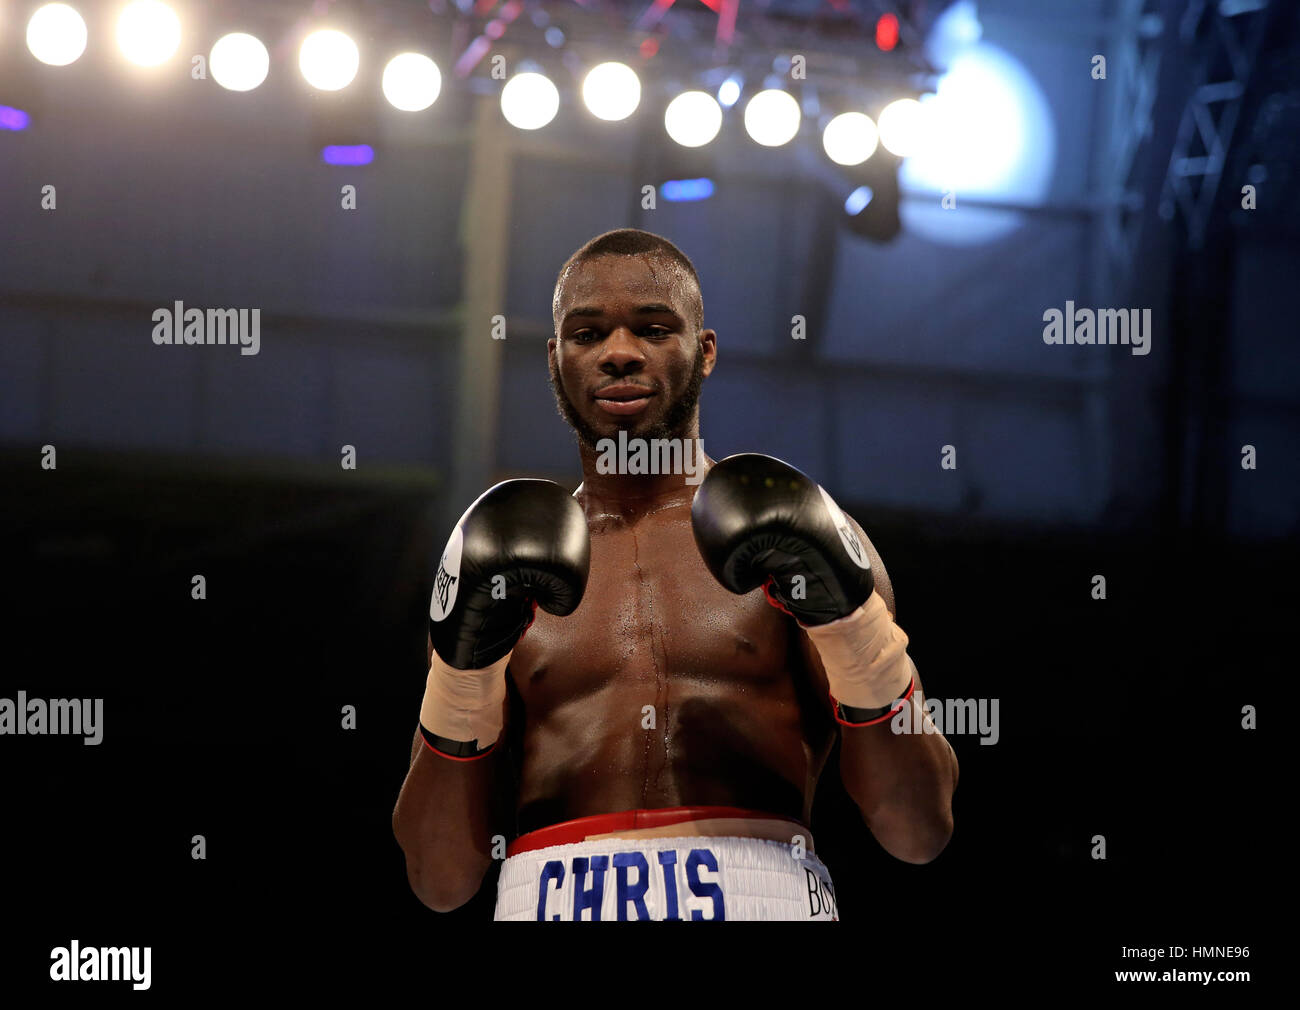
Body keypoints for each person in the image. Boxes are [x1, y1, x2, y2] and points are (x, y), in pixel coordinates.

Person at [392, 228, 958, 921]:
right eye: (588, 333)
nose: (620, 352)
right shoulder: (503, 568)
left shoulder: (802, 537)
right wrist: (463, 675)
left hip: (762, 896)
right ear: (555, 358)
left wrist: (855, 628)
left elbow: (918, 831)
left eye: (654, 329)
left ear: (705, 351)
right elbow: (439, 879)